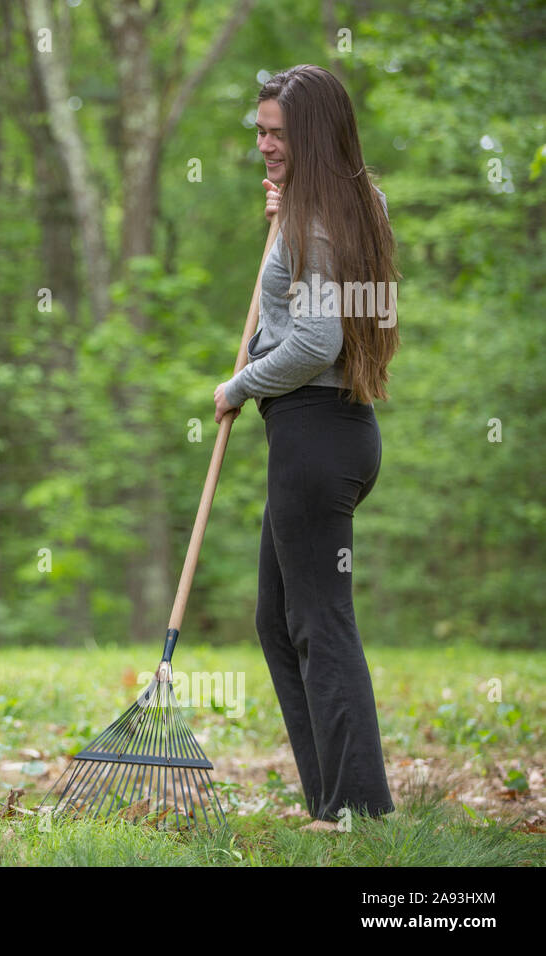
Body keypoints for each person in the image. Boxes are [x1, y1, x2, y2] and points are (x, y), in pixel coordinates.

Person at [212, 65, 401, 832]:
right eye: (258, 131)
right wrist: (283, 220)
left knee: (320, 621)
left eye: (277, 133)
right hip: (333, 434)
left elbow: (317, 340)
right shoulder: (351, 205)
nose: (262, 144)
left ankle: (354, 806)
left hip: (315, 433)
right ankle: (332, 800)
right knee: (278, 617)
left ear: (311, 135)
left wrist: (240, 384)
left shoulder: (313, 220)